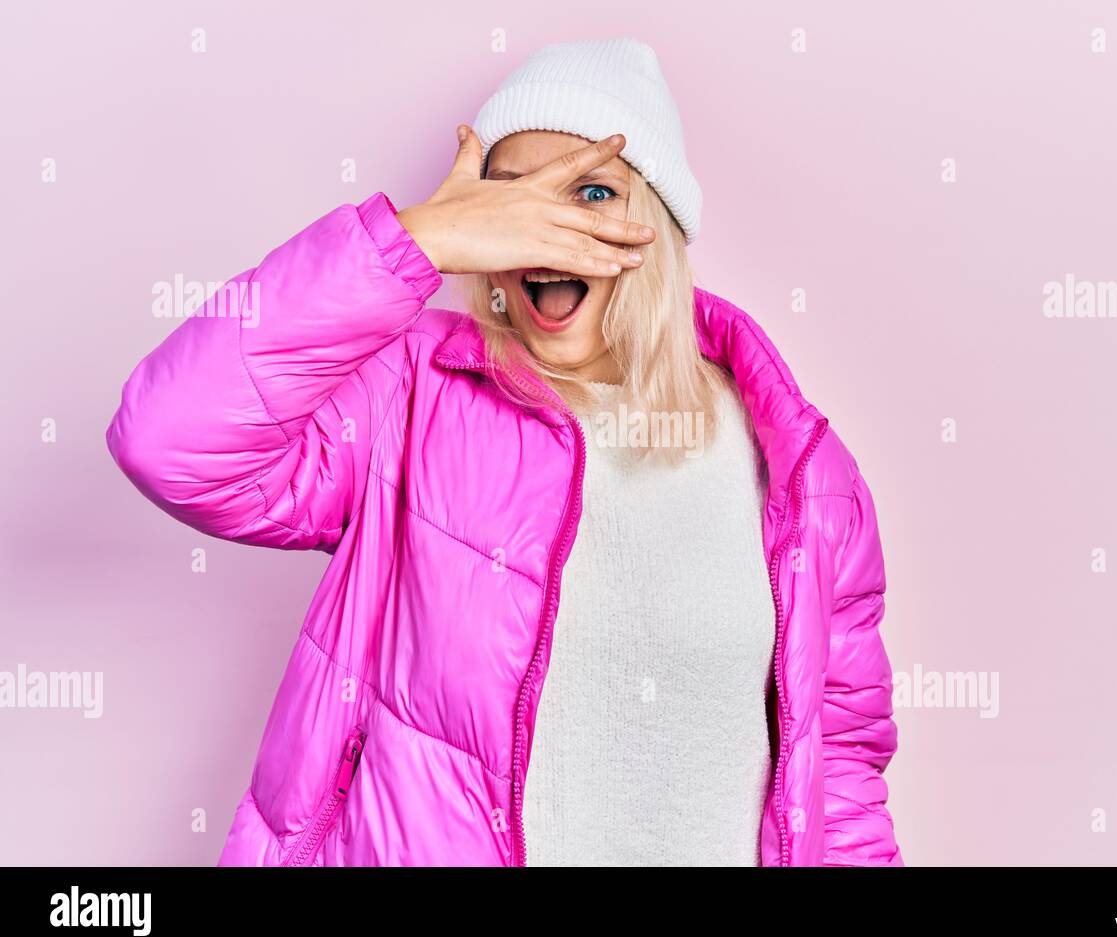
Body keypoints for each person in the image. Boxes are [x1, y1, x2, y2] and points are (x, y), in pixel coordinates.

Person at [107, 37, 902, 866]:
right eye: (512, 205)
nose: (546, 235)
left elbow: (840, 769)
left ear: (657, 227)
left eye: (591, 193)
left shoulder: (807, 476)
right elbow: (169, 437)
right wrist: (416, 239)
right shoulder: (413, 394)